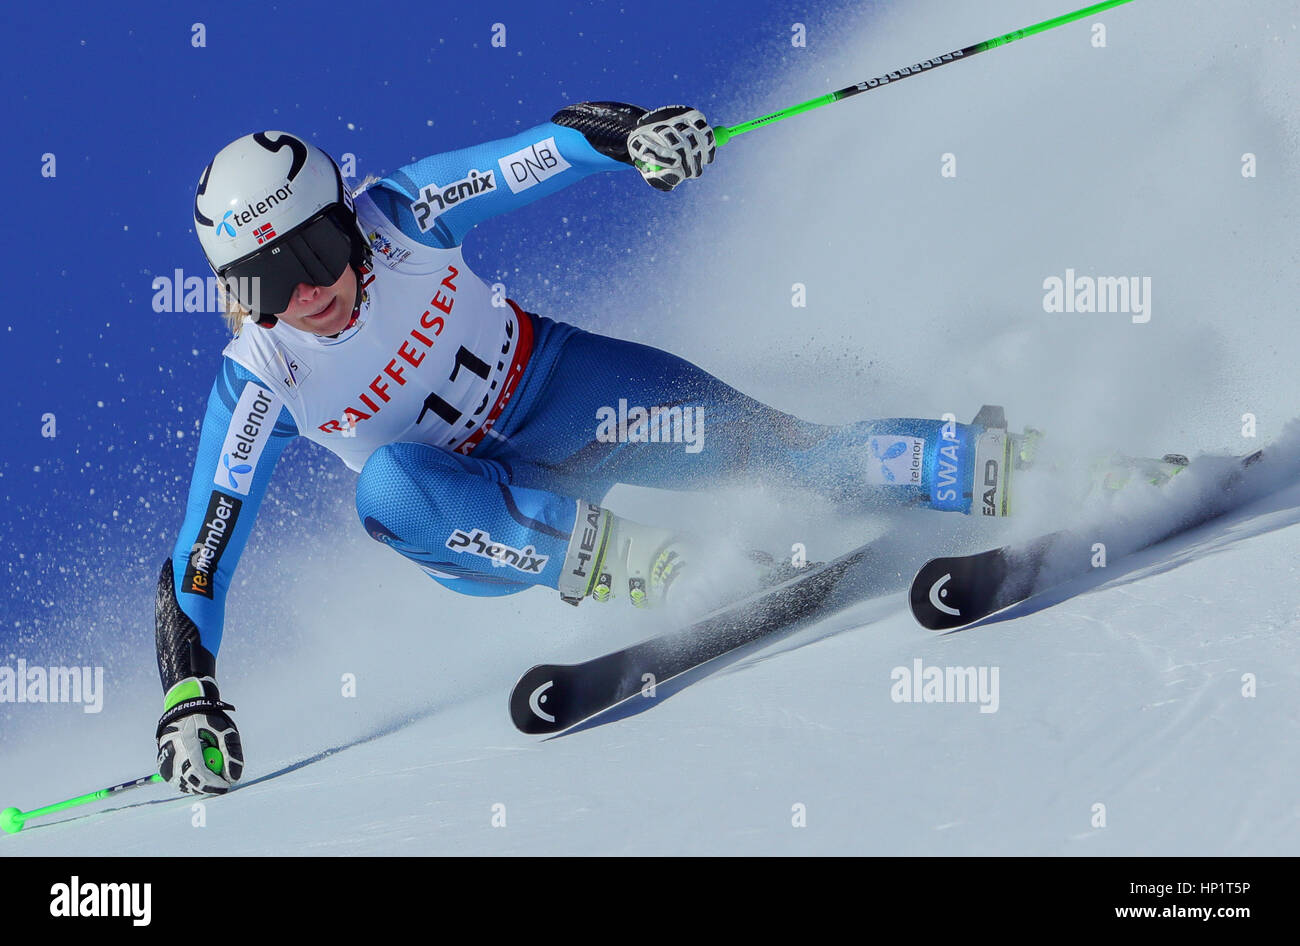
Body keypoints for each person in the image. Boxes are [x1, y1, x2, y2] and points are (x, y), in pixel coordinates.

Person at [156, 103, 1018, 795]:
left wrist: (636, 137)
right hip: (476, 515)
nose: (307, 290)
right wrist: (187, 697)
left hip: (571, 398)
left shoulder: (406, 216)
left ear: (347, 220)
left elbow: (545, 149)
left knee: (794, 458)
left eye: (315, 248)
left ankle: (1001, 467)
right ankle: (663, 569)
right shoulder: (261, 378)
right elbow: (203, 556)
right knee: (388, 489)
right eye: (268, 279)